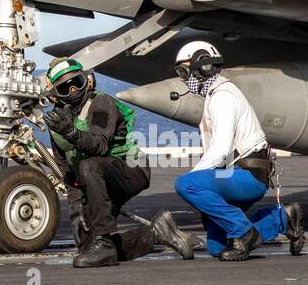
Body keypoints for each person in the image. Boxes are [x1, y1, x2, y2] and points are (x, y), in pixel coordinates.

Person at [43, 56, 195, 268]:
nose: (72, 91)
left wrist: (71, 132)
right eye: (64, 88)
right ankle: (156, 233)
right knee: (87, 249)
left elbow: (100, 145)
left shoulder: (101, 103)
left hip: (130, 169)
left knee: (90, 166)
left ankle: (103, 241)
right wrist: (78, 210)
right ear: (54, 96)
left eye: (76, 83)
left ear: (87, 81)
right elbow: (67, 172)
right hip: (97, 179)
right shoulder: (57, 125)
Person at [171, 41, 305, 261]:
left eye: (185, 71)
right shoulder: (215, 95)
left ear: (202, 67)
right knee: (217, 247)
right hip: (233, 173)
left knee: (186, 184)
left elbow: (221, 149)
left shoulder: (223, 96)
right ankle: (283, 219)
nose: (185, 79)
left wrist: (195, 178)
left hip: (247, 175)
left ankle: (243, 231)